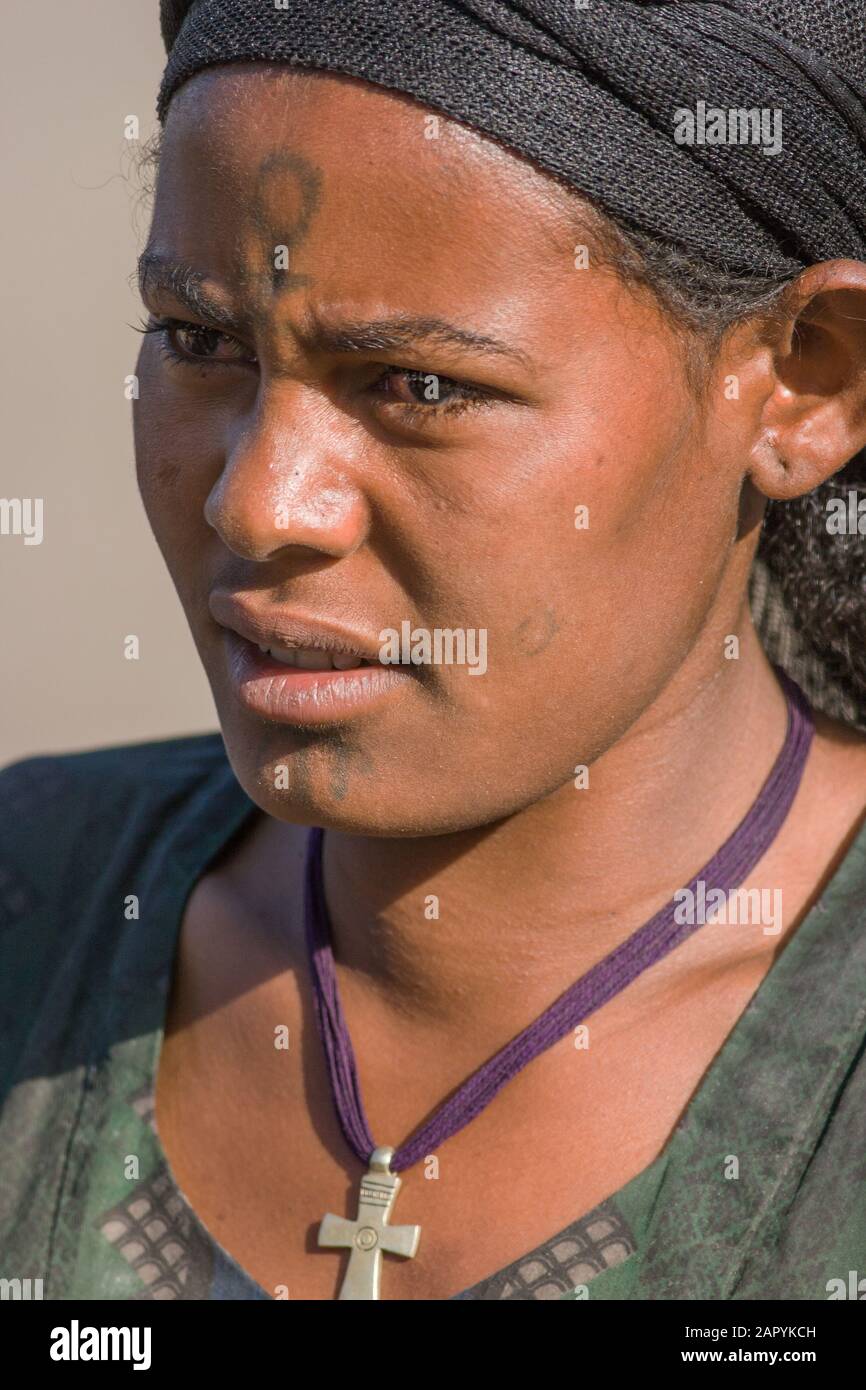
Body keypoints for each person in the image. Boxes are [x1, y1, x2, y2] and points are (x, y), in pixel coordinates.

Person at [2, 0, 866, 1302]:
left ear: (803, 378)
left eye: (416, 385)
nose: (258, 504)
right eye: (199, 343)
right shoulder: (34, 908)